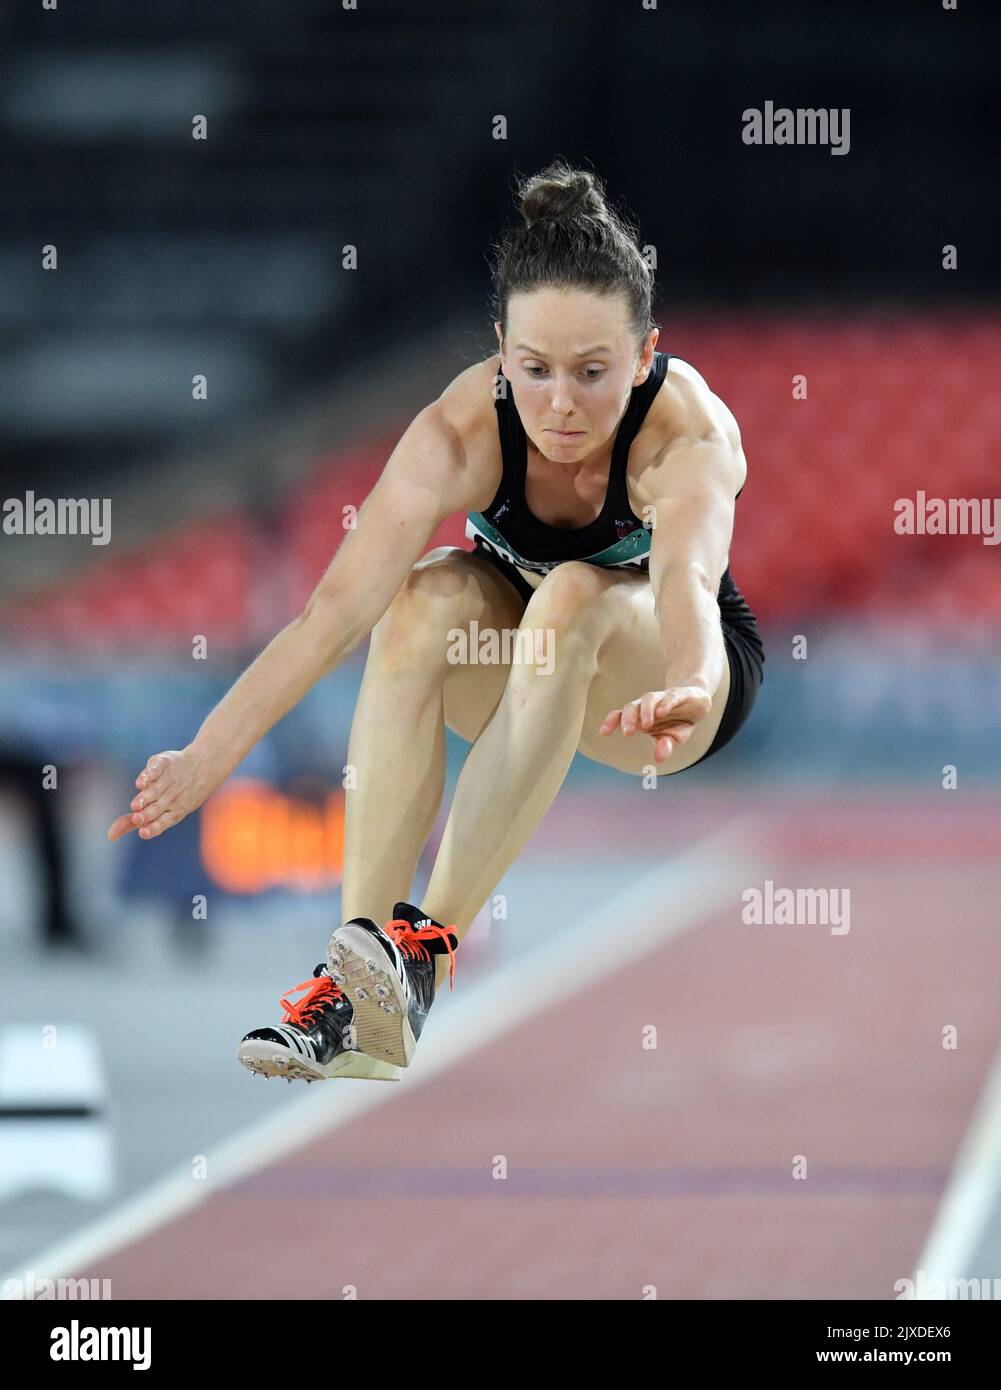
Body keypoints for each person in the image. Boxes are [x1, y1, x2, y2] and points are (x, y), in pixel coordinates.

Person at [107, 159, 764, 1084]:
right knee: (418, 599)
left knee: (574, 592)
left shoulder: (684, 434)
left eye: (592, 372)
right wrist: (209, 754)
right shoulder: (458, 432)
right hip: (515, 668)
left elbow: (688, 581)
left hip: (660, 681)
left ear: (647, 356)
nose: (561, 405)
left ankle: (423, 949)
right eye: (534, 371)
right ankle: (351, 989)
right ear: (500, 350)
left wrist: (691, 681)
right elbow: (333, 614)